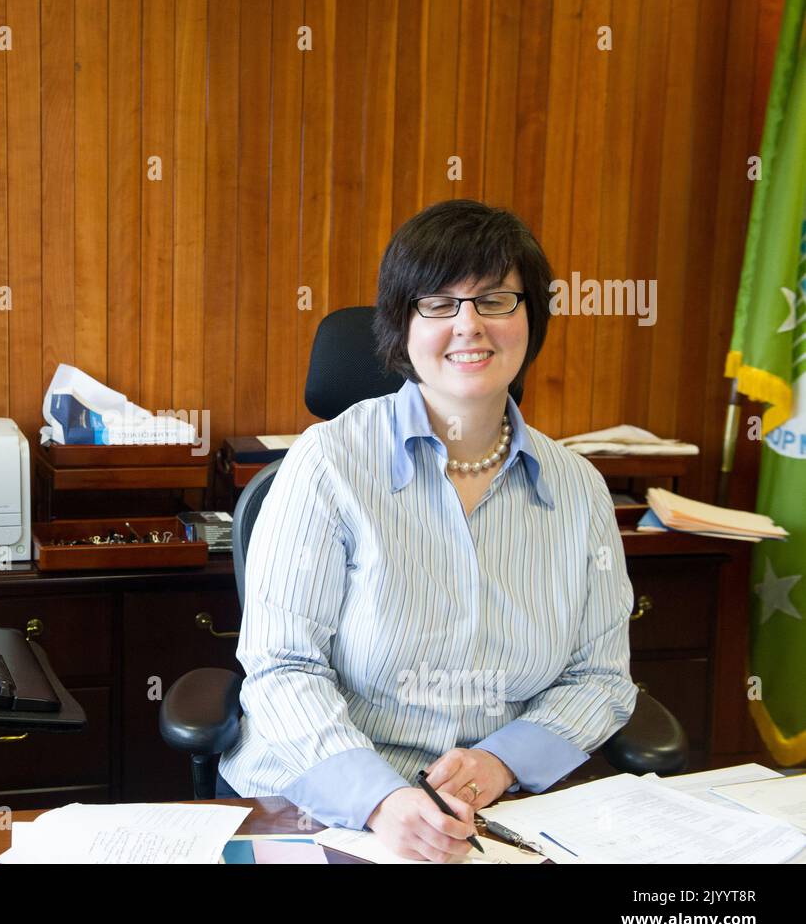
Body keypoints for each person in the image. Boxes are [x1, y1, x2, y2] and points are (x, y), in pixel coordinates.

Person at [216, 199, 637, 862]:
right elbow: (280, 666)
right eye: (438, 303)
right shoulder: (329, 463)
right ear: (402, 326)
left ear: (531, 319)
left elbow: (601, 678)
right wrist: (379, 798)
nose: (468, 324)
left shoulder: (579, 488)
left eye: (495, 299)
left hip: (498, 816)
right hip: (322, 806)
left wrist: (502, 761)